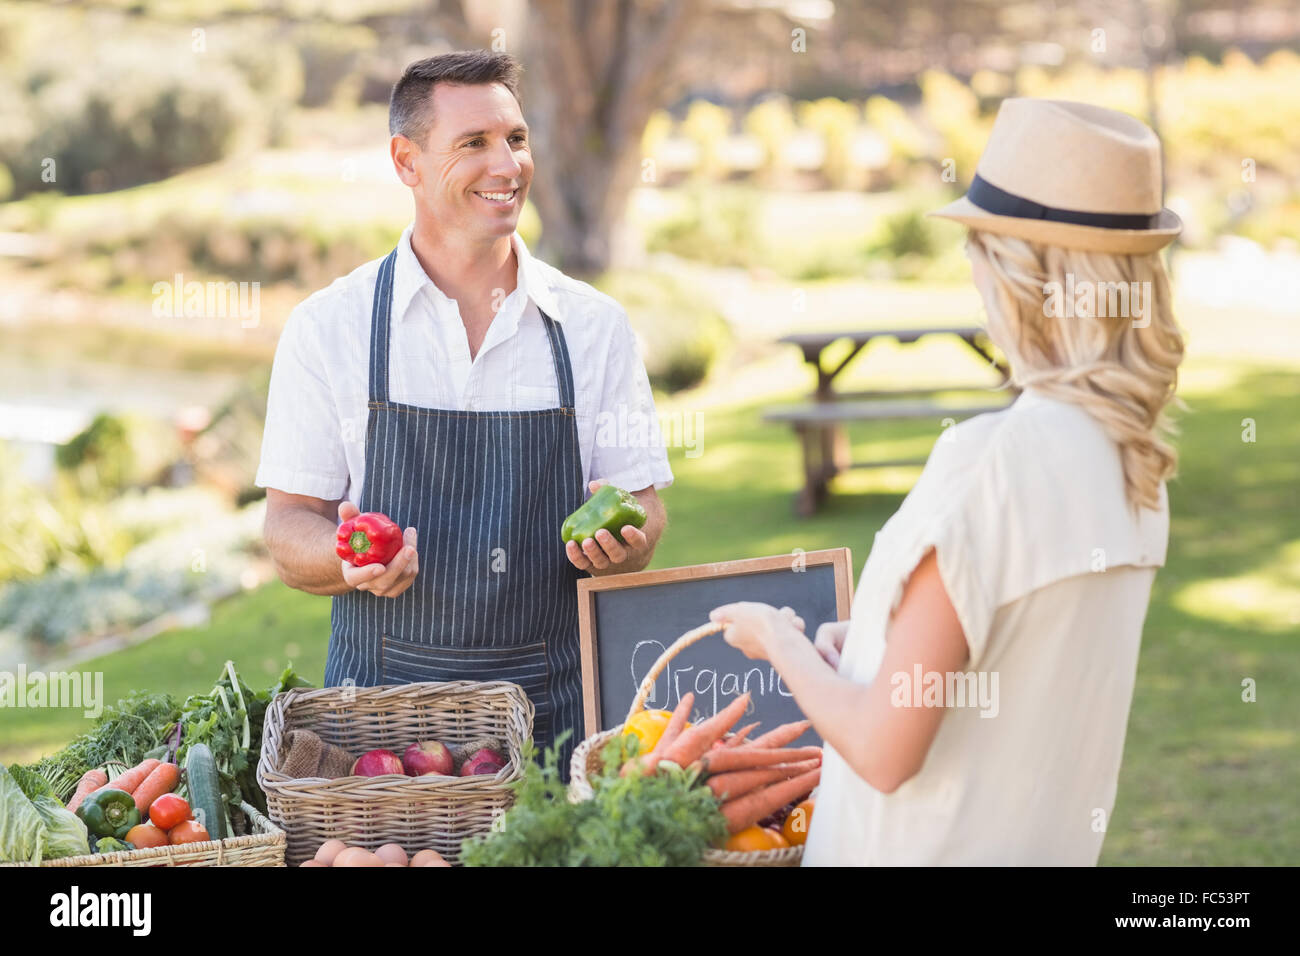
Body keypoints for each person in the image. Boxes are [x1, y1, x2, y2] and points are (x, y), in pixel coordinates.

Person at [710, 98, 1185, 865]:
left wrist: (779, 642)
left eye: (978, 245)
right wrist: (867, 647)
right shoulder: (1135, 464)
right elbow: (1007, 670)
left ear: (1020, 273)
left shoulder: (990, 465)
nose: (969, 267)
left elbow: (883, 748)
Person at [255, 51, 671, 774]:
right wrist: (347, 560)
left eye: (515, 138)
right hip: (379, 739)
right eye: (473, 144)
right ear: (406, 162)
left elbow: (645, 509)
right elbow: (289, 523)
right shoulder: (331, 327)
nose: (506, 165)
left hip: (554, 723)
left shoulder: (593, 327)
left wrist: (625, 546)